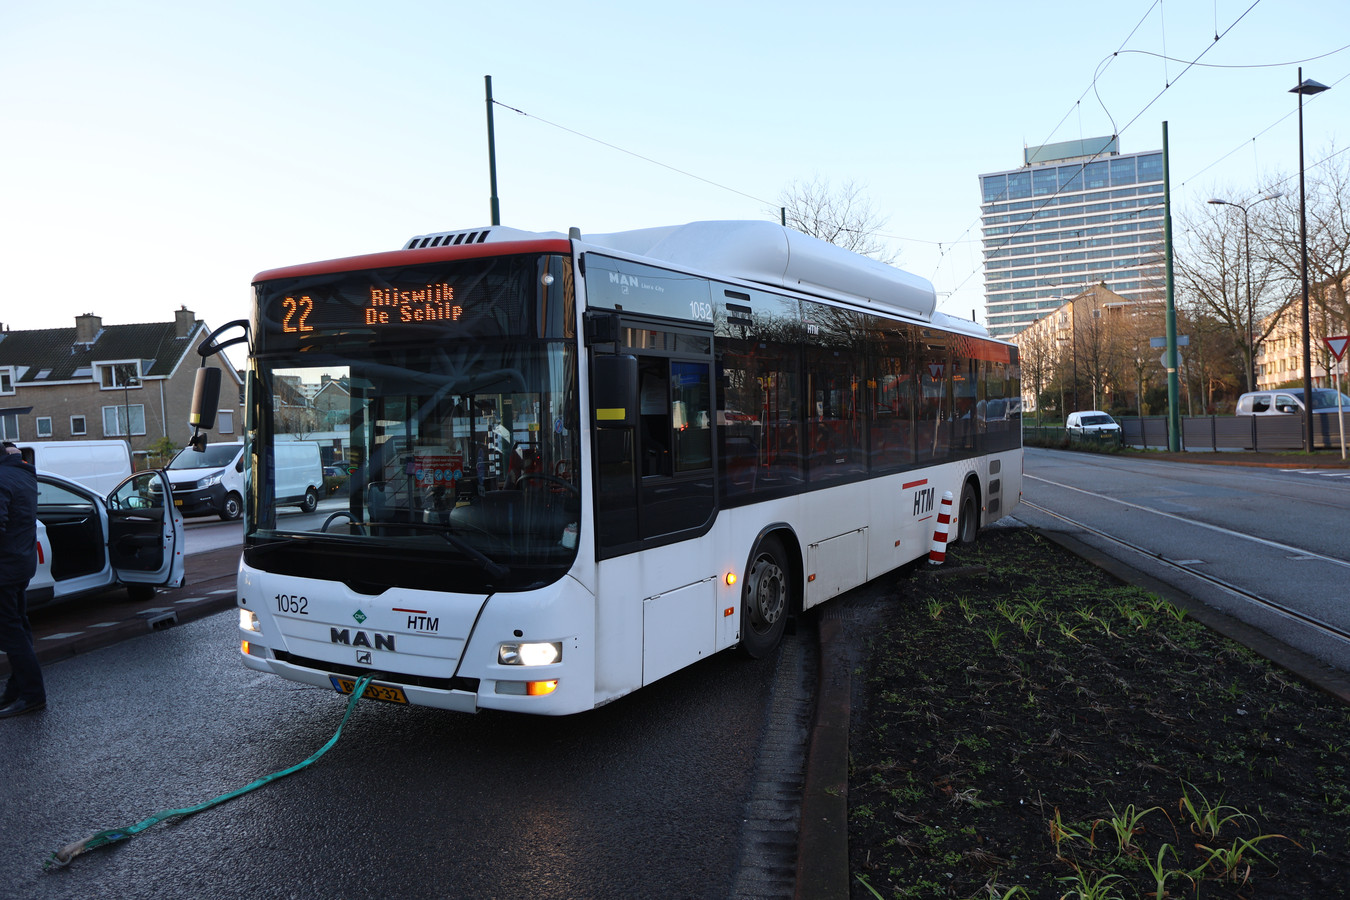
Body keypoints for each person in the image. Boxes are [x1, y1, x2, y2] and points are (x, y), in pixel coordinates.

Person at [0, 440, 44, 718]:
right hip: (20, 565)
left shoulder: (2, 479)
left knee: (10, 631)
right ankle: (17, 689)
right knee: (19, 625)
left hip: (3, 569)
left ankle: (32, 694)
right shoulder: (25, 476)